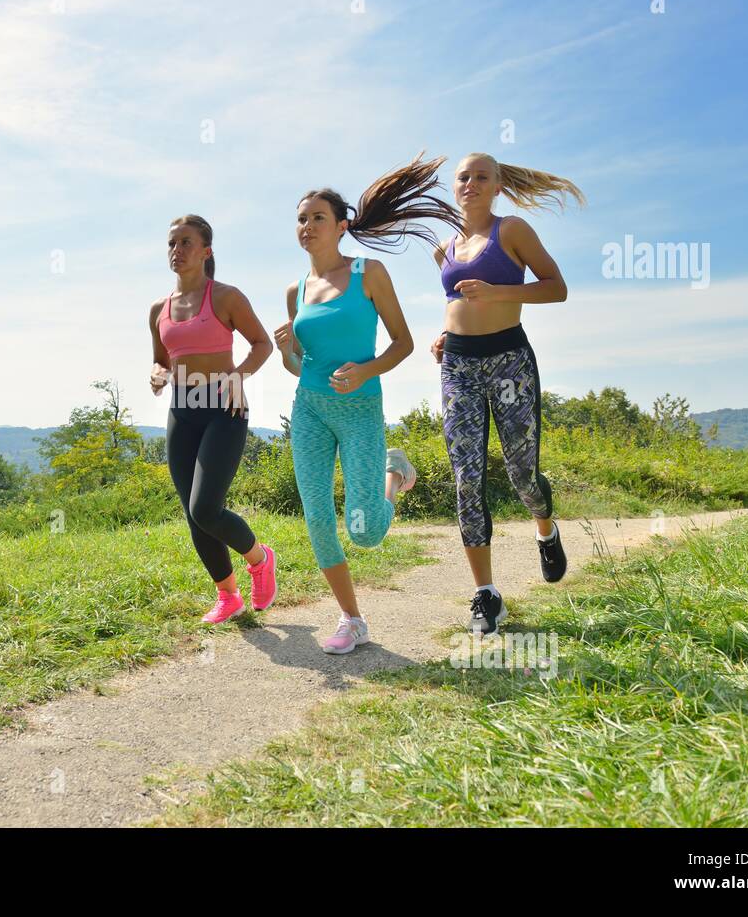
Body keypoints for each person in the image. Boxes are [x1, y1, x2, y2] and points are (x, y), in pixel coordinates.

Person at [273, 153, 462, 654]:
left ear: (340, 226)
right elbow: (299, 367)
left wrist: (366, 370)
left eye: (317, 217)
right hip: (310, 407)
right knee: (317, 518)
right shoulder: (296, 291)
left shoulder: (368, 273)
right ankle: (352, 619)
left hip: (360, 409)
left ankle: (394, 474)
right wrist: (286, 351)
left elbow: (402, 342)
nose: (307, 225)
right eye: (301, 218)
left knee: (366, 532)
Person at [428, 152, 583, 635]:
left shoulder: (511, 230)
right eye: (463, 177)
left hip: (509, 361)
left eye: (481, 177)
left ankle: (545, 527)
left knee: (521, 473)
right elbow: (457, 301)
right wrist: (444, 333)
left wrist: (498, 294)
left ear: (497, 186)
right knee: (467, 477)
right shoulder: (445, 247)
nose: (471, 183)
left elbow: (556, 288)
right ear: (453, 187)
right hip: (458, 364)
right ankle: (486, 594)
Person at [149, 214, 278, 624]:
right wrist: (158, 373)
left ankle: (260, 559)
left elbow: (262, 344)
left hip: (223, 407)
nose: (177, 251)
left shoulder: (225, 297)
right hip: (182, 409)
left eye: (186, 243)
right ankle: (228, 596)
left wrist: (239, 376)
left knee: (206, 508)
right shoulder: (159, 309)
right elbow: (161, 359)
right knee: (193, 513)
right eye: (172, 243)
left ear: (206, 251)